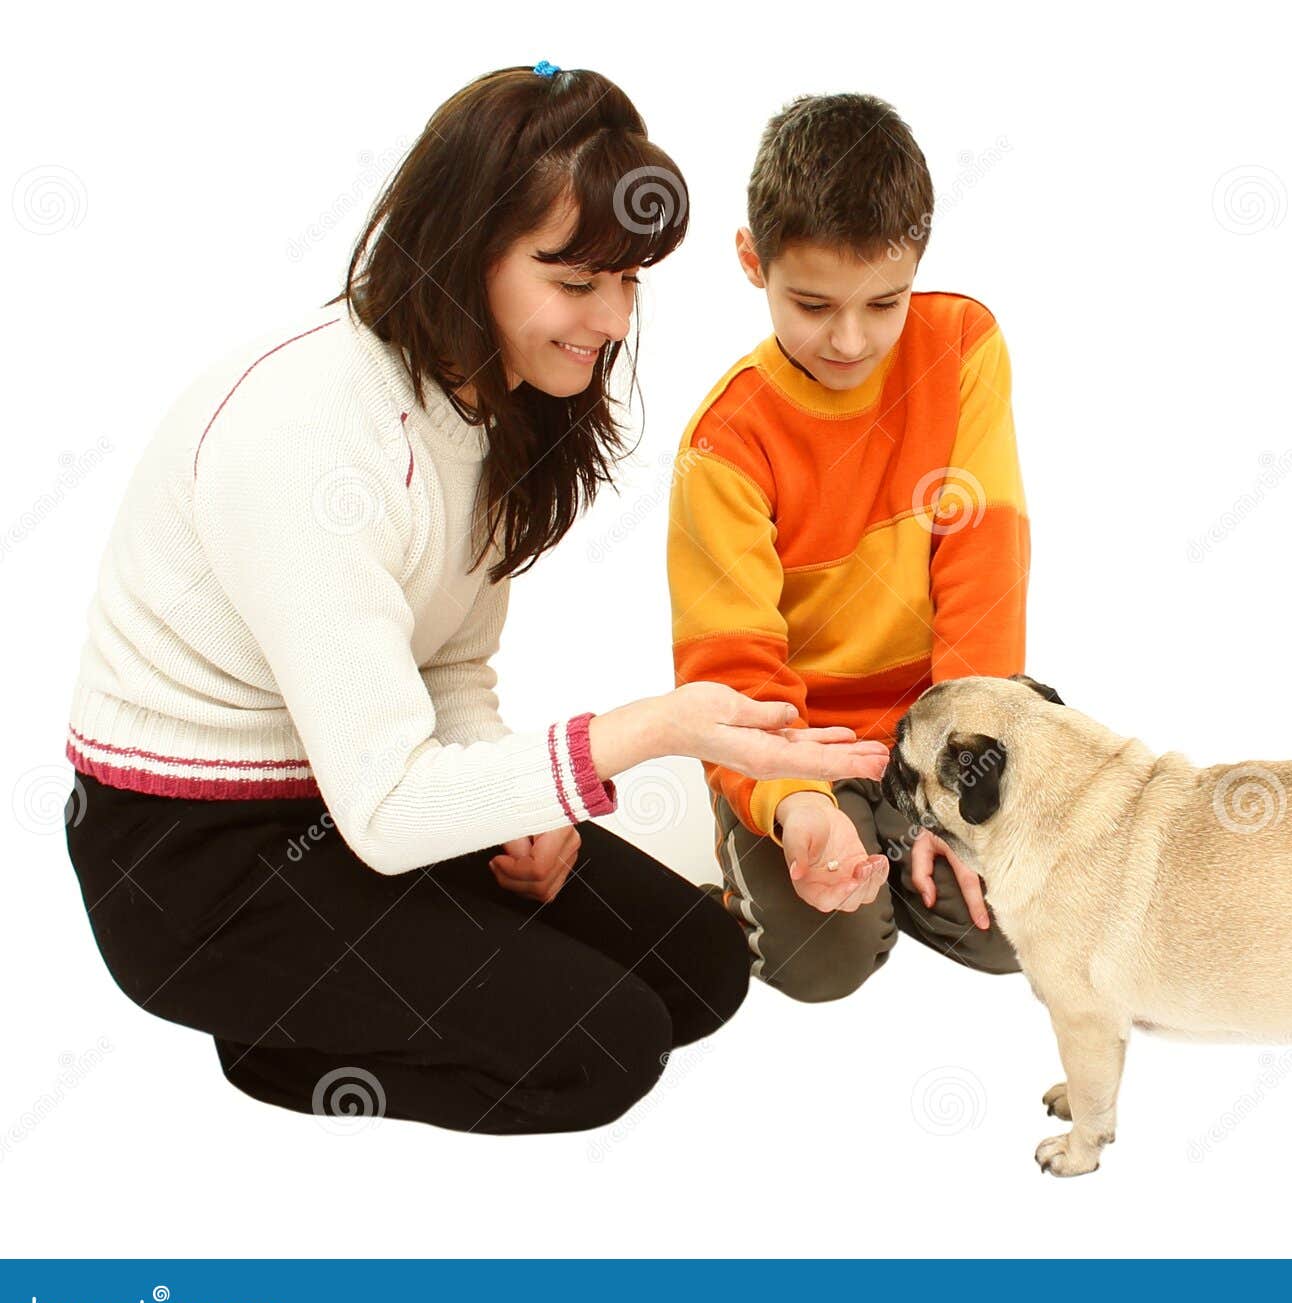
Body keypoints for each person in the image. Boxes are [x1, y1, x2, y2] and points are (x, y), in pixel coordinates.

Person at [61, 65, 886, 1135]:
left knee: (700, 970)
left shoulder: (491, 400)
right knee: (605, 1049)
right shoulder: (311, 434)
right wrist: (652, 730)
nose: (611, 318)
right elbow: (389, 808)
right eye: (575, 279)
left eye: (628, 278)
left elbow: (447, 665)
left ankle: (364, 983)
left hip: (349, 803)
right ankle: (273, 1045)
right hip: (199, 865)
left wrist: (529, 809)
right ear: (466, 246)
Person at [668, 93, 1030, 1003]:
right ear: (752, 261)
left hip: (936, 724)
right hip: (800, 746)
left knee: (1022, 929)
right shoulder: (725, 446)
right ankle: (812, 859)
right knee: (822, 964)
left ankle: (902, 852)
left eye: (885, 302)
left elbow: (983, 572)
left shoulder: (963, 346)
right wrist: (795, 803)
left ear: (918, 264)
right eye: (813, 303)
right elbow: (734, 670)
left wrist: (963, 785)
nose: (850, 338)